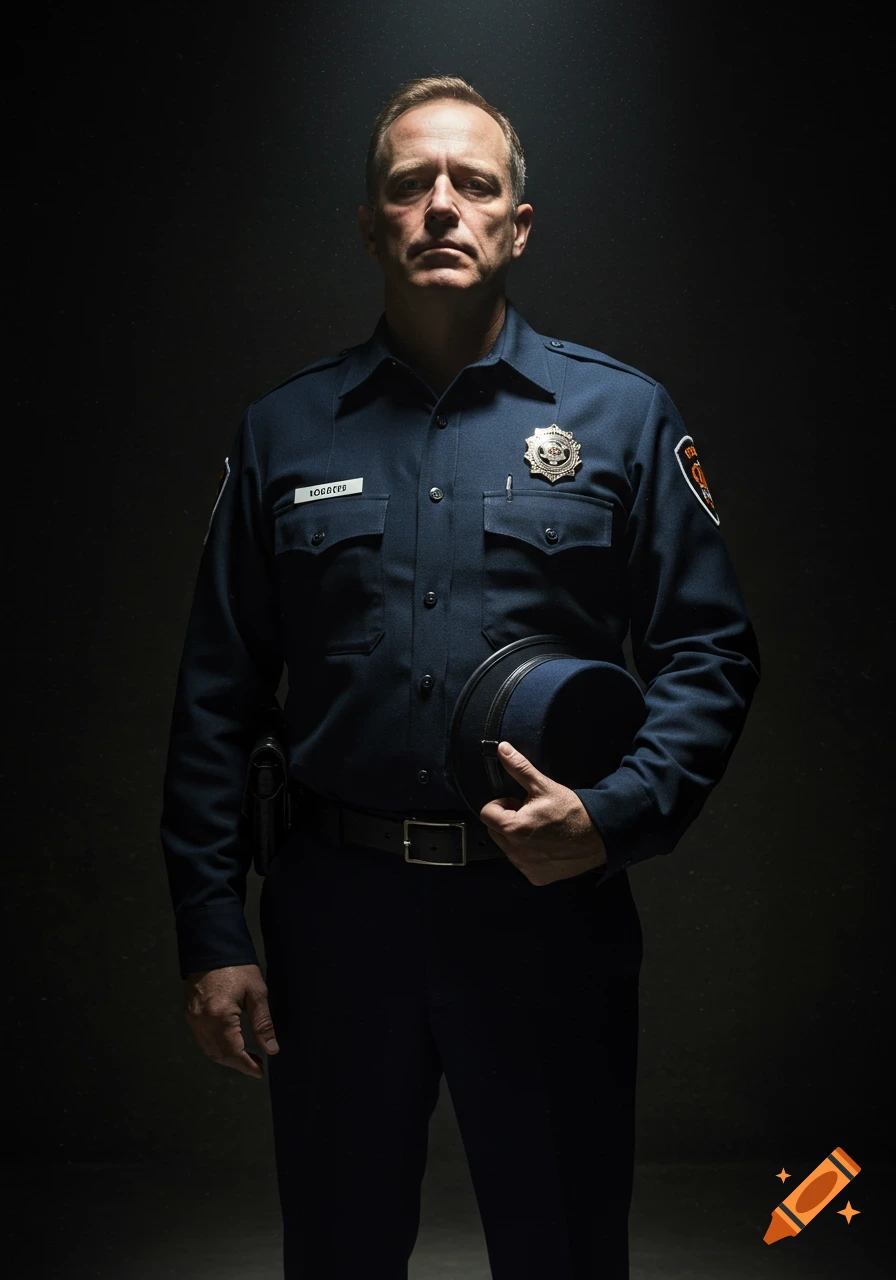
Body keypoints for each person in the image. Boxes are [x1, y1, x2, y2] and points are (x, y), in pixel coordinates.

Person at [159, 74, 761, 1279]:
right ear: (372, 221)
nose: (440, 205)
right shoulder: (283, 432)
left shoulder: (622, 416)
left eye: (471, 184)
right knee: (336, 1251)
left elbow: (708, 651)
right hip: (338, 919)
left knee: (564, 1251)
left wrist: (611, 813)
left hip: (544, 912)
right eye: (408, 185)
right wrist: (211, 928)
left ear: (515, 224)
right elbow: (216, 692)